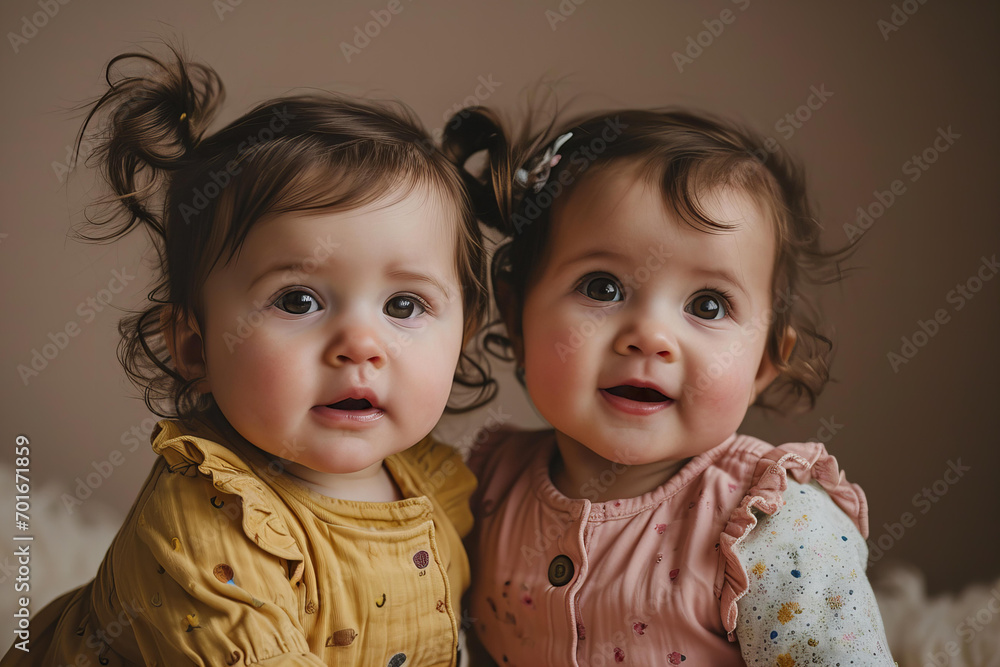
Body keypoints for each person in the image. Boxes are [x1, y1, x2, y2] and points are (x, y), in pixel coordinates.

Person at [6, 47, 491, 666]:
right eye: (298, 299)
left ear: (464, 336)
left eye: (403, 306)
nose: (361, 346)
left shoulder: (433, 483)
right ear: (194, 344)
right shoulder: (208, 522)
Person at [445, 107, 895, 665]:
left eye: (708, 305)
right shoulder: (484, 487)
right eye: (603, 287)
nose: (650, 337)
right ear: (517, 319)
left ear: (763, 365)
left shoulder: (775, 527)